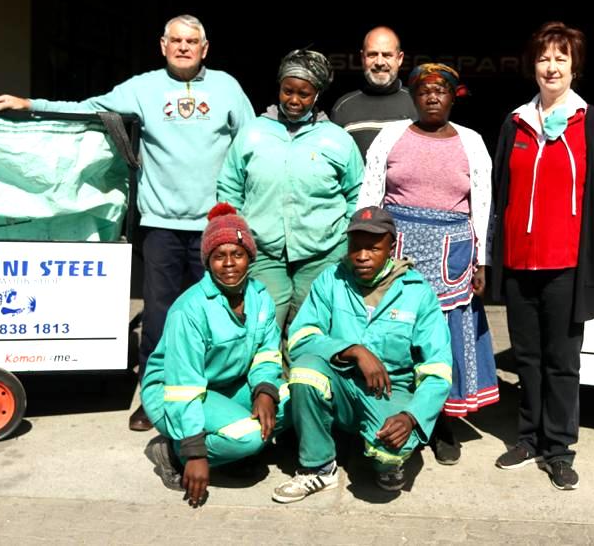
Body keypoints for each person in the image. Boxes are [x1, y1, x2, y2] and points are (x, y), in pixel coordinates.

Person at [0, 15, 255, 431]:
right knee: (159, 317)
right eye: (176, 40)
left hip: (214, 227)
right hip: (161, 224)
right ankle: (154, 397)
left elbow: (252, 145)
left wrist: (243, 214)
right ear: (163, 45)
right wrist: (30, 105)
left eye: (191, 41)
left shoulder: (227, 88)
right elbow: (88, 109)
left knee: (217, 315)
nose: (183, 47)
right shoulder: (142, 88)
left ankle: (216, 394)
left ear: (205, 48)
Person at [490, 21, 594, 490]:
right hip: (520, 262)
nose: (552, 67)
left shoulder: (592, 122)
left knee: (562, 361)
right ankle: (528, 438)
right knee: (527, 358)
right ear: (533, 66)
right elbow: (501, 188)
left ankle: (559, 448)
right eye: (544, 58)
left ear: (574, 67)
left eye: (561, 58)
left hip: (567, 263)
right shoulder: (515, 122)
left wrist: (583, 231)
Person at [357, 62, 497, 465]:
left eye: (441, 91)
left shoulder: (471, 142)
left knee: (444, 336)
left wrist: (482, 261)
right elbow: (370, 194)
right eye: (424, 91)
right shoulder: (391, 136)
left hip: (452, 252)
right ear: (413, 97)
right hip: (398, 248)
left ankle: (442, 422)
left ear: (453, 97)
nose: (433, 97)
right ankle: (393, 409)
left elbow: (482, 203)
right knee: (398, 328)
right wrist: (364, 245)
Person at [272, 206, 452, 503]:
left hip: (389, 393)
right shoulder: (331, 280)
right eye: (355, 247)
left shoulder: (417, 292)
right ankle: (318, 467)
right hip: (340, 385)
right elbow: (301, 338)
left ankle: (385, 459)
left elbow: (438, 368)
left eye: (373, 248)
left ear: (391, 248)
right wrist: (353, 351)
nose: (362, 256)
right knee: (305, 371)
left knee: (390, 450)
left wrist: (411, 416)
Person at [140, 202, 287, 508]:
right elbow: (183, 384)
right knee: (249, 436)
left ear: (250, 257)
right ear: (208, 262)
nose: (229, 263)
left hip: (224, 385)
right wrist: (194, 451)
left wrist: (264, 389)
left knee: (293, 398)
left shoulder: (260, 297)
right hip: (176, 393)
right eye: (219, 256)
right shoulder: (190, 309)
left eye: (237, 254)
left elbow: (267, 352)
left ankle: (231, 451)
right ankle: (172, 453)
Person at [217, 49, 363, 331]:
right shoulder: (253, 132)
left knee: (311, 326)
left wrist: (344, 239)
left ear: (317, 95)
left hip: (323, 253)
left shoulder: (337, 139)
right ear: (279, 89)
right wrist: (237, 231)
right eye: (288, 91)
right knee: (263, 321)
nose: (294, 100)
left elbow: (357, 192)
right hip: (263, 249)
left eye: (304, 94)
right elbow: (230, 186)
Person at [330, 26, 417, 159]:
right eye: (372, 54)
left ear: (399, 59)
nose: (379, 62)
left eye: (387, 55)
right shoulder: (343, 107)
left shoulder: (417, 103)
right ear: (362, 58)